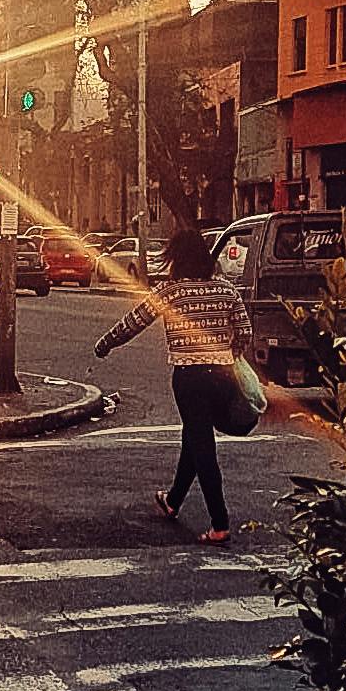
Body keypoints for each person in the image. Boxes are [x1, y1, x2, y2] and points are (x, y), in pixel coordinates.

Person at [93, 224, 254, 545]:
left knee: (202, 445)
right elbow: (246, 332)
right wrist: (227, 352)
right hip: (222, 375)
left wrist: (105, 344)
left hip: (189, 378)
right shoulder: (225, 289)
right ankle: (173, 501)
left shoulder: (171, 291)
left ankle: (220, 523)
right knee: (193, 437)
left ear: (176, 259)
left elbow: (134, 322)